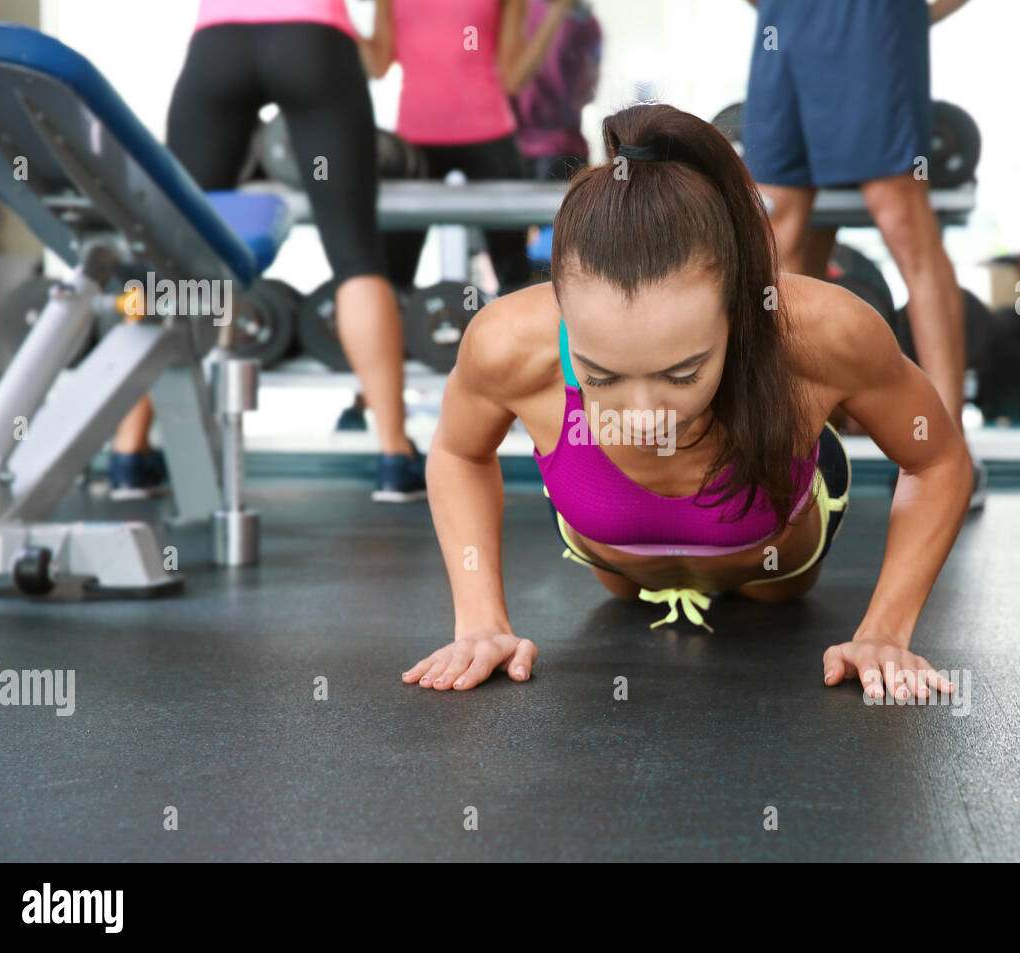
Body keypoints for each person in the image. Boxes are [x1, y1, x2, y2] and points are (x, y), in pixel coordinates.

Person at [402, 104, 973, 698]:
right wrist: (479, 624)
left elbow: (936, 458)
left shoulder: (823, 331)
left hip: (777, 559)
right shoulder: (507, 343)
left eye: (682, 374)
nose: (645, 413)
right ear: (561, 311)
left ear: (736, 309)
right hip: (612, 553)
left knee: (769, 593)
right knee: (625, 588)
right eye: (600, 376)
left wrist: (886, 632)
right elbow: (460, 453)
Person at [110, 0, 425, 503]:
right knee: (356, 258)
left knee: (166, 255)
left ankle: (128, 454)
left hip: (219, 44)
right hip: (312, 38)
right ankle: (394, 455)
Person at [740, 0, 985, 508]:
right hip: (785, 22)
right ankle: (795, 441)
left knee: (901, 217)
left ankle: (950, 448)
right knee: (777, 232)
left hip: (872, 21)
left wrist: (913, 15)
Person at [359, 0, 581, 294]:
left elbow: (513, 77)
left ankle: (514, 337)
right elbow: (377, 65)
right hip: (416, 137)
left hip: (489, 134)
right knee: (395, 277)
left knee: (513, 274)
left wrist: (555, 14)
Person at [512, 0, 602, 182]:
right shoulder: (588, 23)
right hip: (563, 147)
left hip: (531, 147)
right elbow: (589, 90)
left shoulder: (518, 13)